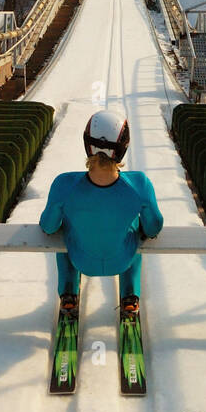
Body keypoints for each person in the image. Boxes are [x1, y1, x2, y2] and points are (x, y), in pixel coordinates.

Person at [39, 110, 163, 318]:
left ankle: (69, 294)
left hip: (81, 259)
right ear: (123, 146)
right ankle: (130, 297)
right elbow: (152, 229)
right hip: (122, 260)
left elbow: (49, 227)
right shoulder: (139, 185)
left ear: (87, 144)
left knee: (65, 230)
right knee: (133, 228)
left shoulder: (64, 184)